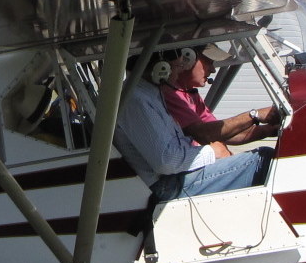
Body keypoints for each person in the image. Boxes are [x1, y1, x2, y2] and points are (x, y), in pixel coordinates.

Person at [112, 50, 272, 202]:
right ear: (160, 69)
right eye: (177, 66)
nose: (179, 72)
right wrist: (212, 152)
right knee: (262, 160)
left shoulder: (148, 95)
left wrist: (267, 129)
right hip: (166, 185)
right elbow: (165, 162)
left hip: (173, 178)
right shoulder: (136, 100)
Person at [159, 46, 281, 151]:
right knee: (264, 154)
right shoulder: (171, 94)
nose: (213, 69)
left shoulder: (190, 93)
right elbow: (205, 134)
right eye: (209, 62)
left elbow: (220, 133)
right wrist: (254, 115)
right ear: (188, 59)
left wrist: (269, 130)